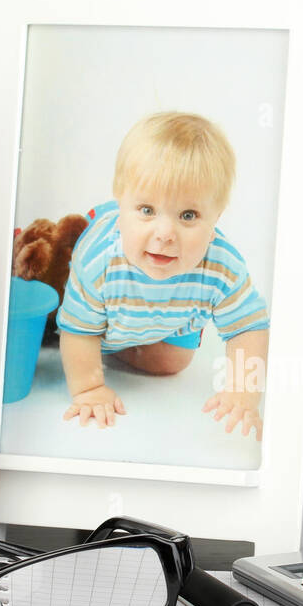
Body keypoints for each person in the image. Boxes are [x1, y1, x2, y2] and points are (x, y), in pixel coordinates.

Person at [56, 112, 270, 439]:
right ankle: (105, 337)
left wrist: (243, 393)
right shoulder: (98, 261)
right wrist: (89, 389)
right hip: (99, 301)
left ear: (216, 217)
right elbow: (78, 332)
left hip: (171, 315)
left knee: (173, 363)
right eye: (147, 210)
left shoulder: (221, 265)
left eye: (188, 215)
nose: (165, 233)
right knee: (75, 321)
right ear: (121, 203)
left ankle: (122, 342)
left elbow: (249, 327)